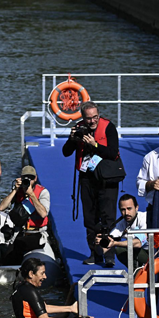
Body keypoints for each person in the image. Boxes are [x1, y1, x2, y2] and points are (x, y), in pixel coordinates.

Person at [62, 102, 123, 265]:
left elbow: (113, 153)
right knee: (90, 218)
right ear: (83, 117)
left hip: (107, 178)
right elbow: (66, 152)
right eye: (88, 118)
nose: (92, 121)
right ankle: (95, 253)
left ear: (99, 115)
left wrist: (94, 145)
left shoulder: (108, 127)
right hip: (87, 178)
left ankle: (109, 254)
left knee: (108, 217)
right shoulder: (79, 128)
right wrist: (72, 139)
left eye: (95, 117)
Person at [0, 165, 50, 264]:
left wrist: (32, 195)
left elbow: (43, 214)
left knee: (20, 244)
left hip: (36, 232)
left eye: (31, 178)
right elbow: (1, 207)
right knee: (8, 256)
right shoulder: (18, 191)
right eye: (25, 178)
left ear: (35, 178)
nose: (28, 180)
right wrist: (15, 190)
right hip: (20, 231)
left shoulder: (43, 192)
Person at [97, 194, 148, 268]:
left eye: (129, 209)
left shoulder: (144, 218)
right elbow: (108, 243)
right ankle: (136, 272)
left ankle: (142, 271)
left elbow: (138, 243)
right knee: (120, 250)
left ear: (137, 207)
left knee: (121, 249)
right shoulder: (122, 223)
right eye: (123, 210)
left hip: (155, 254)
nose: (126, 213)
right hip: (142, 252)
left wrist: (115, 243)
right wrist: (100, 242)